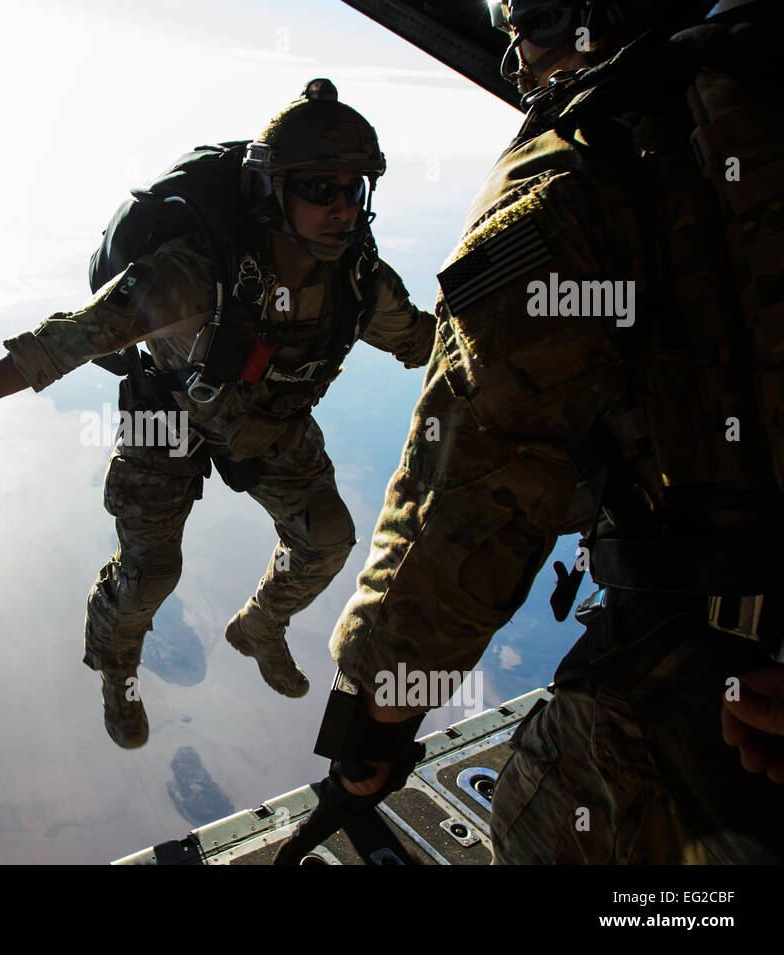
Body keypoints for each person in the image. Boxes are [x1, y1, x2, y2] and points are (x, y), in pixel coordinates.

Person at [280, 0, 784, 863]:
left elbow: (470, 500)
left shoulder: (583, 164)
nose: (518, 56)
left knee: (546, 809)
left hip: (717, 676)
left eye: (535, 18)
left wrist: (372, 733)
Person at [0, 81, 437, 749]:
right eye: (322, 189)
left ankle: (260, 625)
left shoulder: (357, 281)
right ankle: (117, 668)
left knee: (327, 537)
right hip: (167, 414)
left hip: (267, 422)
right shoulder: (196, 274)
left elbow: (428, 342)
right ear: (272, 191)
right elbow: (73, 337)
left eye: (354, 191)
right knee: (149, 573)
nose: (343, 209)